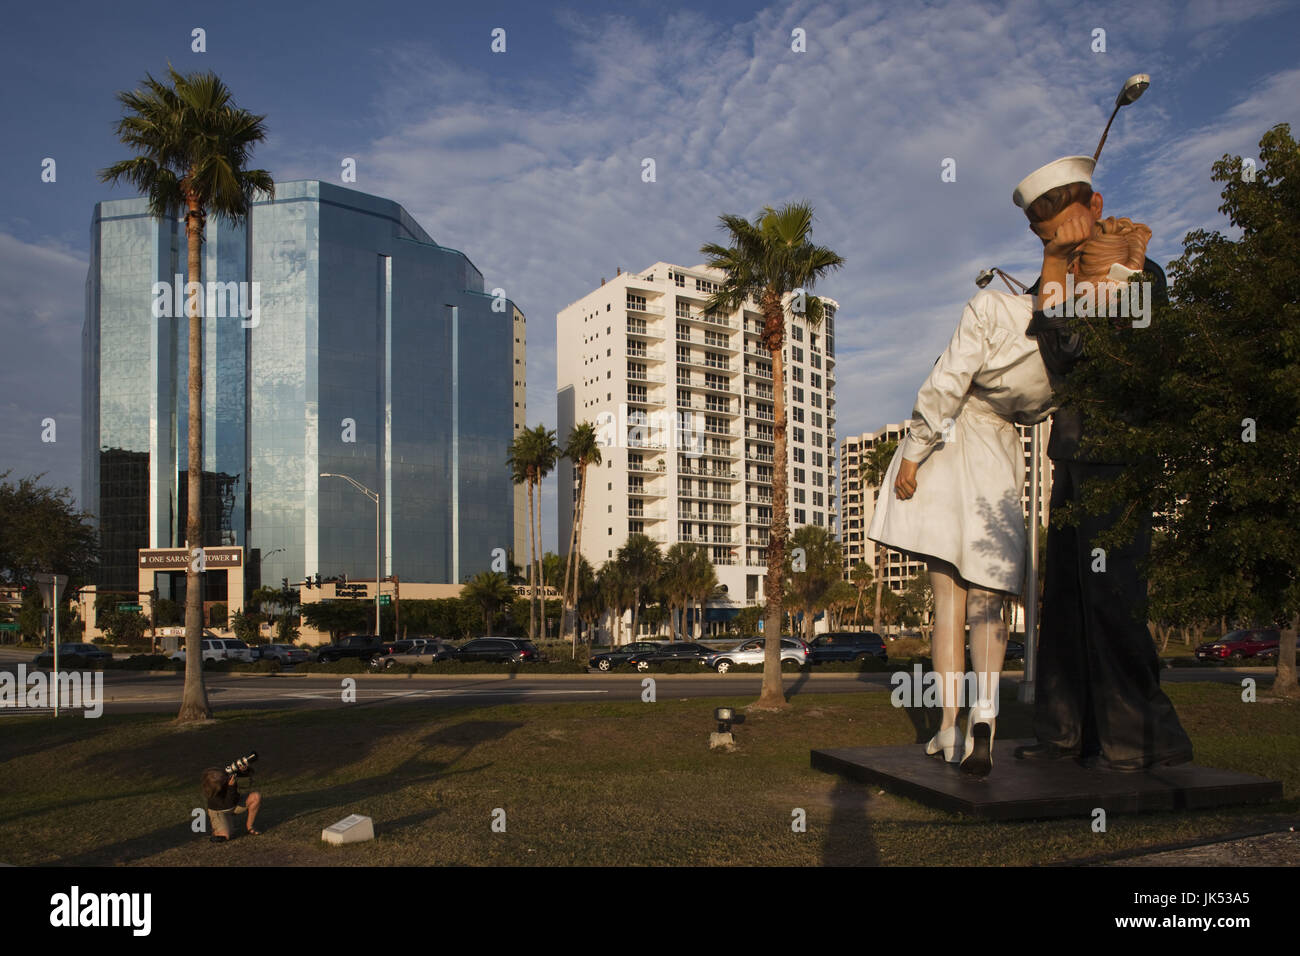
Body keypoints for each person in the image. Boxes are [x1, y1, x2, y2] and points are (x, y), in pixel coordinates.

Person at [1013, 156, 1194, 772]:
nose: (1061, 244)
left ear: (1095, 207)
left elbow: (1086, 353)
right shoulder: (1059, 276)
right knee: (1063, 599)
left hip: (1119, 456)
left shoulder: (1145, 281)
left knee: (1114, 595)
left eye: (1065, 231)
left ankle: (1142, 739)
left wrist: (1073, 274)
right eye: (1045, 240)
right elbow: (1054, 354)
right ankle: (1065, 733)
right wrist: (1053, 265)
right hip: (1072, 457)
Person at [868, 282, 1056, 776]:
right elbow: (1038, 409)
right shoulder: (1060, 345)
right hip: (998, 453)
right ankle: (986, 712)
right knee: (987, 599)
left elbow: (947, 381)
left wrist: (912, 454)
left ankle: (949, 724)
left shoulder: (993, 306)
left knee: (947, 604)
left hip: (949, 450)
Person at [200, 758, 261, 842]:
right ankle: (216, 829)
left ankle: (249, 826)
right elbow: (228, 804)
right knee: (225, 836)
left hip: (235, 804)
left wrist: (244, 770)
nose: (225, 776)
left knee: (255, 797)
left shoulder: (222, 777)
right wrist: (231, 787)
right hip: (220, 811)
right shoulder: (213, 795)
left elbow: (249, 774)